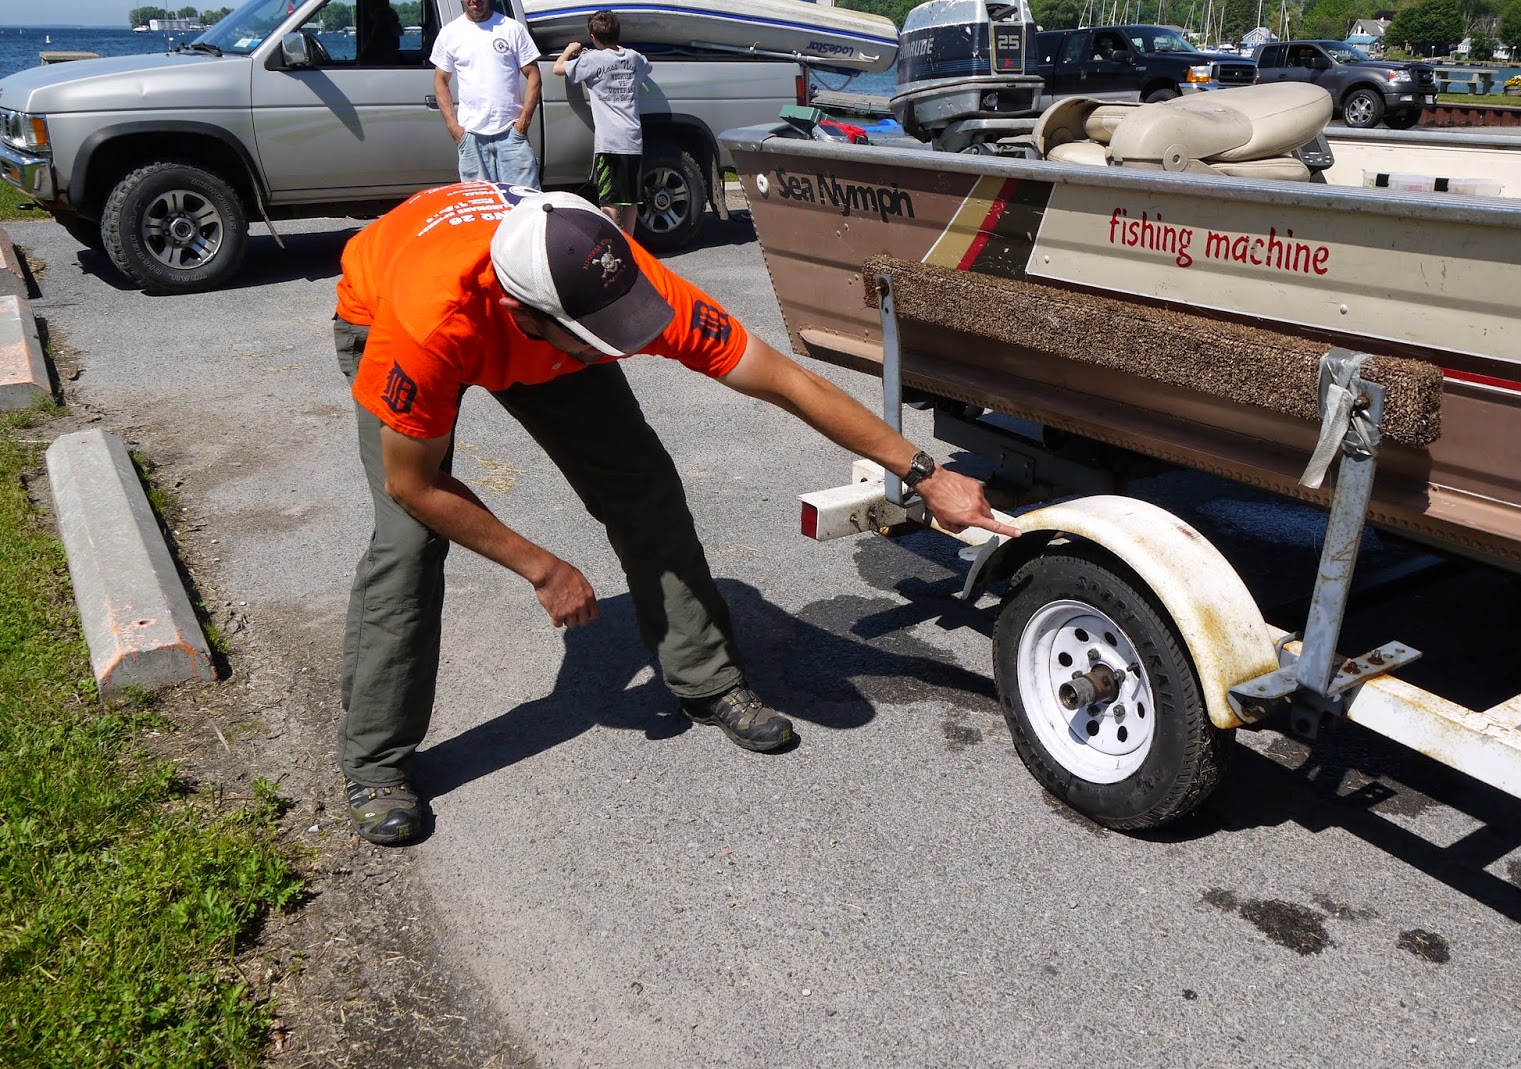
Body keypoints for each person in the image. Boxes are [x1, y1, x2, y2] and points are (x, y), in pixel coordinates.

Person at [333, 182, 1019, 846]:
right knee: (411, 543)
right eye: (603, 334)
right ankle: (375, 761)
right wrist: (540, 567)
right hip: (386, 310)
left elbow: (783, 379)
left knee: (645, 490)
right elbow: (412, 483)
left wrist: (922, 472)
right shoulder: (427, 323)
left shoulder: (610, 281)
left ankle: (707, 678)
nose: (626, 342)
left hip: (542, 326)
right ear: (527, 319)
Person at [553, 11, 650, 234]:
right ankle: (630, 243)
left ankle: (612, 243)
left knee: (609, 199)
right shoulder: (633, 57)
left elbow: (558, 69)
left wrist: (569, 50)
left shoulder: (591, 60)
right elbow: (647, 67)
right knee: (630, 198)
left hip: (609, 142)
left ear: (593, 36)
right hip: (633, 139)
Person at [430, 0, 542, 186]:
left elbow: (534, 75)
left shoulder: (513, 28)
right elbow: (440, 80)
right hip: (471, 136)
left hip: (512, 134)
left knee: (525, 203)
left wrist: (523, 122)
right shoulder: (449, 33)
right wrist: (454, 127)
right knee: (480, 204)